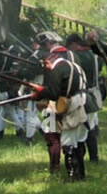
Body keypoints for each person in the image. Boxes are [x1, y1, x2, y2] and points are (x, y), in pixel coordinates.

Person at [32, 31, 90, 181]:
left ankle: (70, 174)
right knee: (74, 139)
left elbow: (52, 92)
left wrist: (39, 93)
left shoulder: (57, 68)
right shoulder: (73, 62)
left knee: (59, 138)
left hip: (58, 105)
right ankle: (73, 172)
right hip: (76, 103)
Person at [67, 33, 104, 163]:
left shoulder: (77, 57)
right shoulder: (95, 56)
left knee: (81, 128)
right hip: (94, 93)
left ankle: (79, 159)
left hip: (81, 94)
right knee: (91, 127)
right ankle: (94, 157)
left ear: (73, 44)